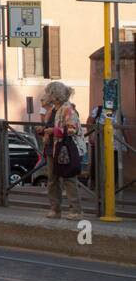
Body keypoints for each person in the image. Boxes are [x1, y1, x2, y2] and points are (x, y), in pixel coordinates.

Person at [38, 81, 83, 221]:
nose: (45, 95)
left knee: (69, 179)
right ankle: (55, 209)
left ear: (54, 95)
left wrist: (54, 131)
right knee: (52, 180)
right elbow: (50, 127)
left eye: (48, 92)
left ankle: (76, 211)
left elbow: (72, 130)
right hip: (52, 149)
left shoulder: (68, 109)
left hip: (65, 149)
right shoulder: (52, 110)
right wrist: (43, 131)